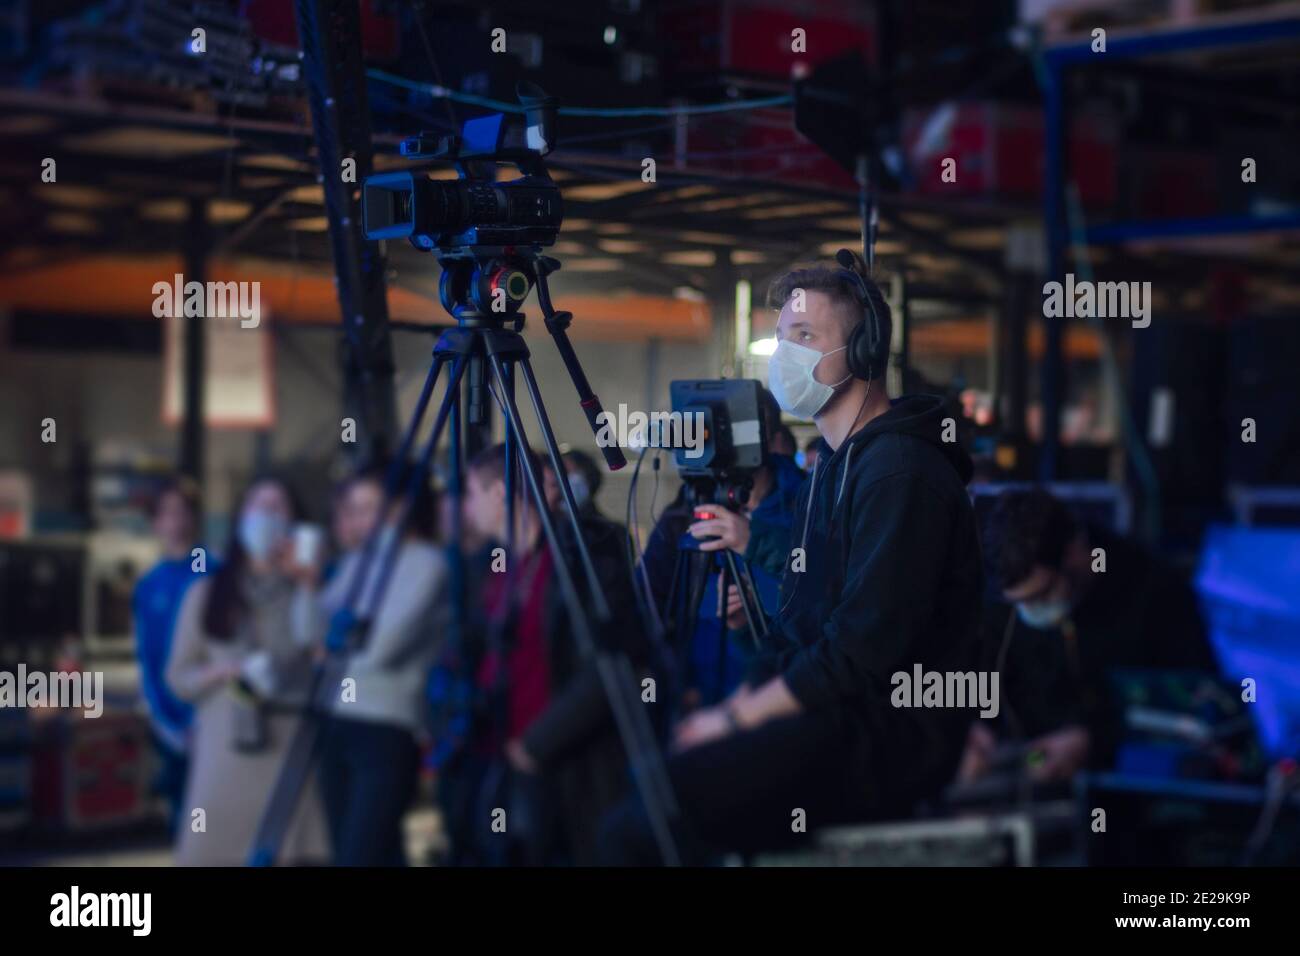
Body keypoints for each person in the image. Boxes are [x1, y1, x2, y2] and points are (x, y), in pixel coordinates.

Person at [601, 251, 984, 864]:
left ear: (862, 352)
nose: (785, 355)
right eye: (781, 338)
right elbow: (799, 627)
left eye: (805, 336)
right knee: (646, 783)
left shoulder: (900, 474)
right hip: (835, 715)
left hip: (888, 734)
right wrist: (737, 705)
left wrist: (738, 722)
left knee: (654, 812)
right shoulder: (832, 467)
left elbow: (860, 651)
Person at [436, 443, 645, 865]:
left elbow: (609, 665)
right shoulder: (492, 567)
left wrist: (536, 744)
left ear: (499, 493)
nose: (467, 507)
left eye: (473, 493)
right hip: (498, 759)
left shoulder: (579, 560)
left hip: (562, 762)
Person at [958, 488, 1217, 785]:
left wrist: (1094, 740)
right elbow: (981, 671)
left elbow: (1192, 705)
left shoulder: (1154, 592)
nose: (1031, 610)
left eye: (1043, 594)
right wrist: (974, 727)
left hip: (1128, 780)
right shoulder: (999, 597)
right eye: (1020, 602)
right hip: (1029, 773)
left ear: (1075, 550)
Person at [165, 476, 329, 866]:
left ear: (295, 524)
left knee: (287, 853)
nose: (266, 516)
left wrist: (308, 584)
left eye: (278, 507)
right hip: (224, 754)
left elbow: (321, 655)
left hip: (290, 753)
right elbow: (178, 678)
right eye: (257, 505)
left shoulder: (309, 592)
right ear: (240, 519)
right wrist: (223, 672)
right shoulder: (206, 593)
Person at [293, 464, 449, 866]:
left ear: (400, 507)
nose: (358, 520)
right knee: (363, 850)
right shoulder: (358, 561)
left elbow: (382, 649)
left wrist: (332, 648)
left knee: (361, 852)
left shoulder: (427, 563)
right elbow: (308, 635)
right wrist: (308, 586)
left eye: (367, 508)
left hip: (386, 726)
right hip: (335, 718)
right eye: (352, 509)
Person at [640, 387, 804, 708]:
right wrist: (675, 684)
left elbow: (825, 598)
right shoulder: (683, 514)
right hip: (699, 700)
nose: (722, 442)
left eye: (732, 428)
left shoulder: (807, 502)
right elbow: (647, 606)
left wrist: (753, 542)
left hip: (778, 700)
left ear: (770, 436)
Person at [132, 477, 210, 835]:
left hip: (209, 716)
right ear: (155, 522)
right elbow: (147, 657)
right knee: (183, 822)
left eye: (182, 512)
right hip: (169, 723)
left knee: (213, 820)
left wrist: (203, 718)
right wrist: (163, 719)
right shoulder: (149, 585)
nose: (175, 521)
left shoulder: (213, 572)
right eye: (166, 513)